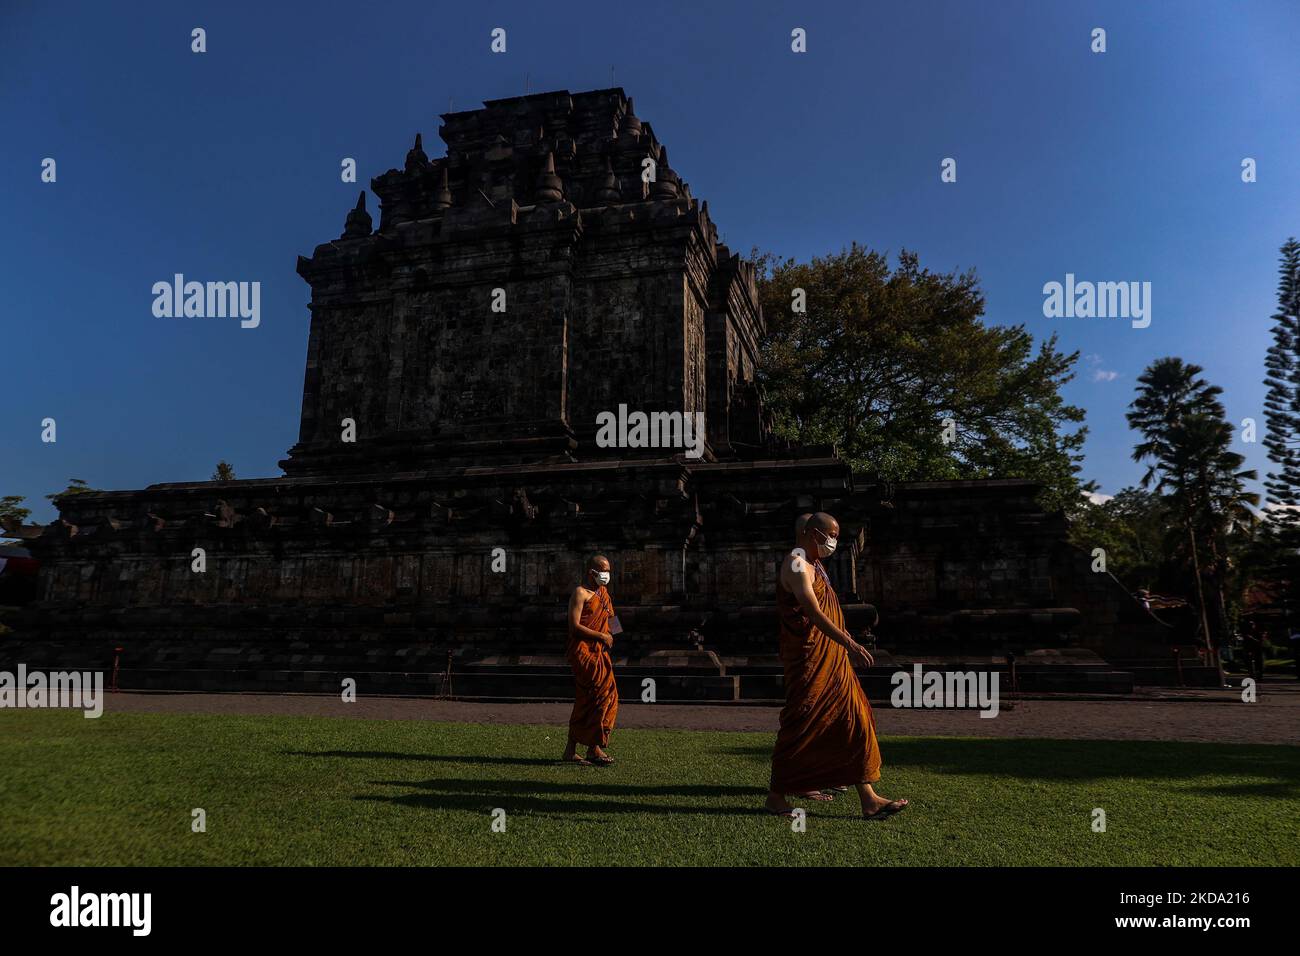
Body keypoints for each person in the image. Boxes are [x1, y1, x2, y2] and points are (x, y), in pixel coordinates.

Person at [765, 512, 908, 820]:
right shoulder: (796, 564)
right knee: (802, 721)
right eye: (831, 536)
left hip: (832, 658)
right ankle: (776, 797)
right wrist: (851, 643)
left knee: (853, 717)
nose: (834, 543)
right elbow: (814, 613)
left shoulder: (817, 566)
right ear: (812, 533)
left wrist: (841, 647)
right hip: (809, 658)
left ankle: (869, 798)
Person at [561, 554, 620, 766]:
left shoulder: (603, 594)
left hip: (601, 653)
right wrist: (601, 636)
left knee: (607, 697)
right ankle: (573, 750)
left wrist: (615, 634)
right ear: (591, 572)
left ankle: (593, 748)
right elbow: (574, 627)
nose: (606, 576)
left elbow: (611, 619)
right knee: (590, 698)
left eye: (609, 572)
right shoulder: (580, 593)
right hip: (584, 653)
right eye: (603, 572)